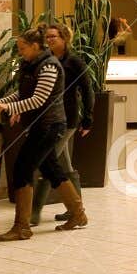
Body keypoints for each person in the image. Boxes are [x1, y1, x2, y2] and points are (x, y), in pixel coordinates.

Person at [0, 27, 87, 240]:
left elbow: (39, 99)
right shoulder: (32, 64)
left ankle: (22, 227)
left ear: (35, 46)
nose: (20, 52)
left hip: (48, 126)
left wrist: (10, 109)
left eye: (22, 48)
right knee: (51, 168)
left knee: (22, 169)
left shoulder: (49, 66)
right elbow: (24, 93)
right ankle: (78, 214)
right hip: (39, 125)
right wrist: (4, 102)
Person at [31, 22, 96, 228]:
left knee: (45, 162)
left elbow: (87, 90)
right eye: (47, 37)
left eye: (53, 37)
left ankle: (33, 213)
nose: (49, 40)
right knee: (65, 166)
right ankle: (76, 210)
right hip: (49, 119)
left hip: (67, 120)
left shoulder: (74, 62)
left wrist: (88, 118)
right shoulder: (45, 61)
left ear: (64, 39)